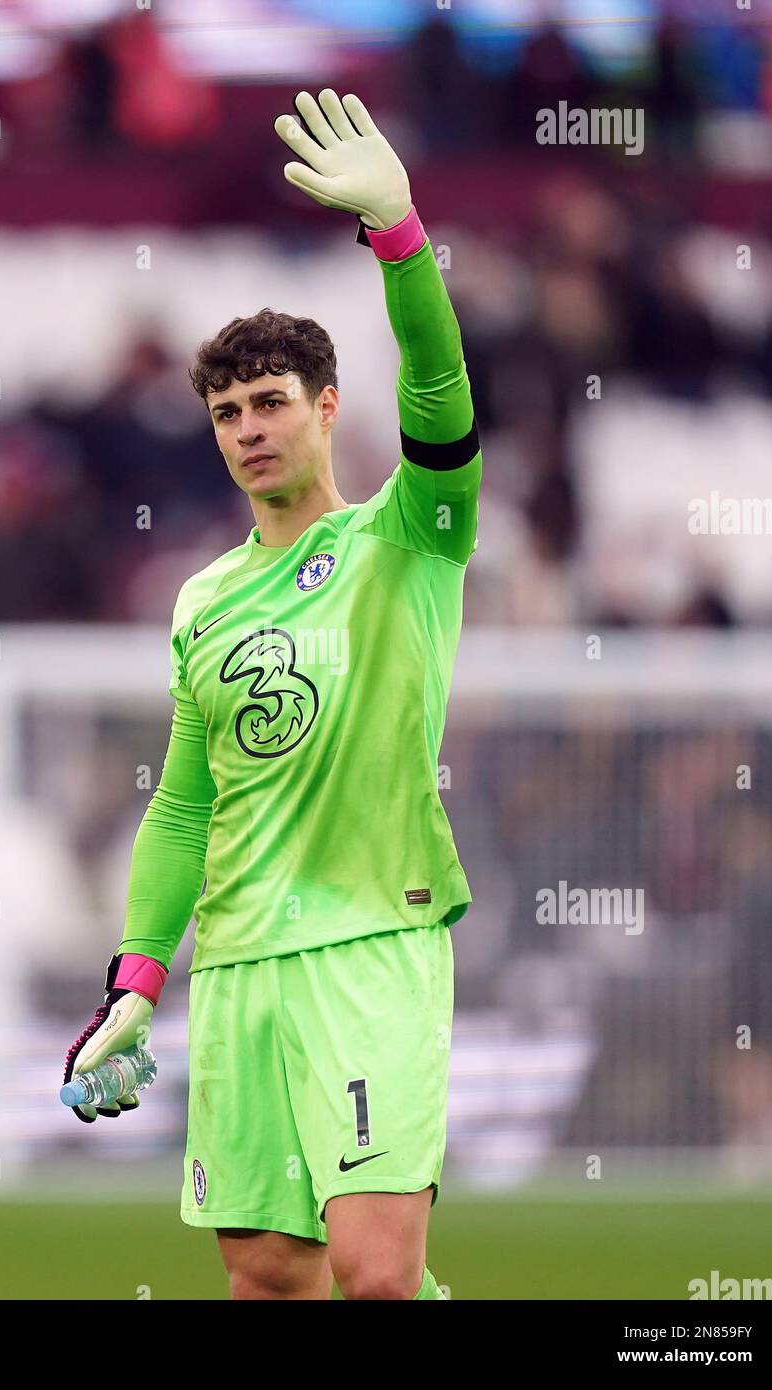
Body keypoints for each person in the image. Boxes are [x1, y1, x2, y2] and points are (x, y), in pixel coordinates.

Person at [64, 90, 483, 1300]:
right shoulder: (201, 602)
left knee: (375, 1278)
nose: (248, 430)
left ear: (326, 408)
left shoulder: (408, 536)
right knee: (264, 1277)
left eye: (270, 405)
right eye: (227, 412)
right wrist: (136, 981)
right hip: (241, 962)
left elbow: (444, 399)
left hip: (372, 940)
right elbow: (184, 808)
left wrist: (399, 238)